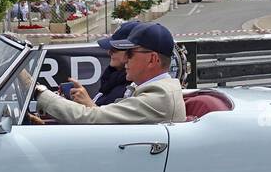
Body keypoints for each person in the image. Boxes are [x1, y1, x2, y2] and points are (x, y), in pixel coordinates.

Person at [34, 22, 185, 124]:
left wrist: (39, 92)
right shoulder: (153, 90)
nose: (125, 59)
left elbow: (92, 118)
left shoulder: (159, 96)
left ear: (152, 59)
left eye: (130, 53)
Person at [93, 20, 137, 106]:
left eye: (114, 49)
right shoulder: (113, 79)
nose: (109, 53)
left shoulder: (130, 88)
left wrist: (87, 104)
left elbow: (102, 117)